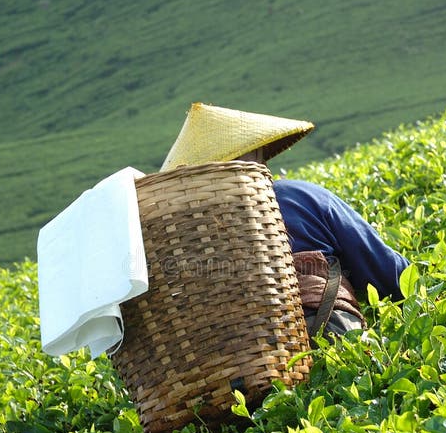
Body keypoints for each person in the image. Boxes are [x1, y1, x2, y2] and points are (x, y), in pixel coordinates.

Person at [160, 102, 409, 339]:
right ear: (254, 157)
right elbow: (390, 276)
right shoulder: (299, 198)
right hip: (326, 349)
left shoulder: (176, 237)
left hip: (221, 372)